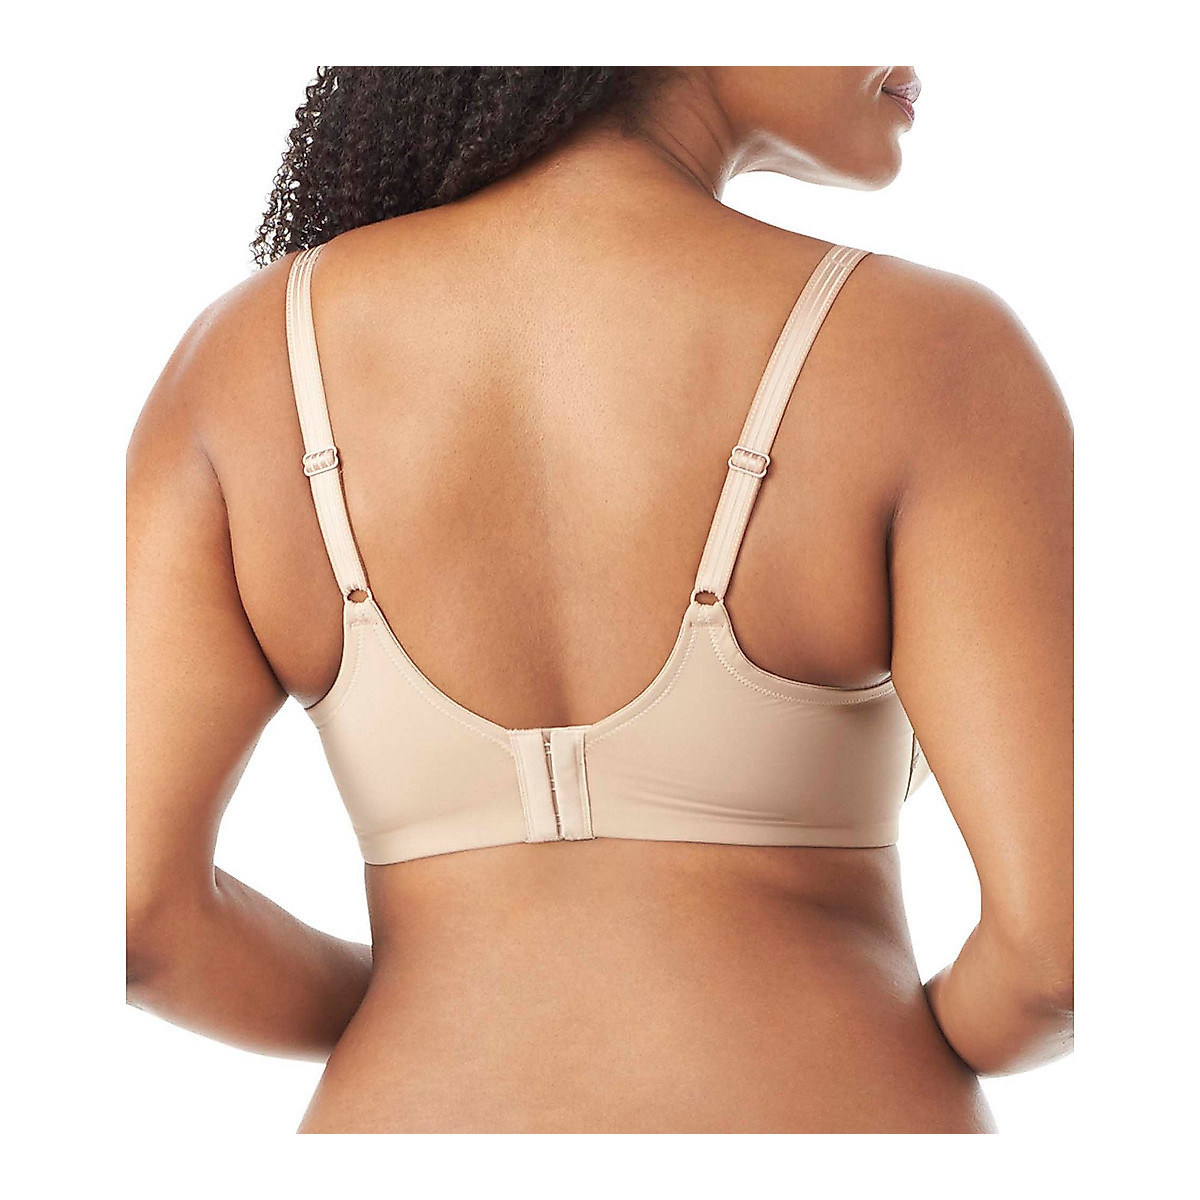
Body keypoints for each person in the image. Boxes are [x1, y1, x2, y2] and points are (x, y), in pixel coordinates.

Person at [126, 66, 1073, 1133]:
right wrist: (892, 1031)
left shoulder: (242, 361)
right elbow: (1059, 960)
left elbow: (135, 918)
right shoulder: (929, 349)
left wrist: (427, 1007)